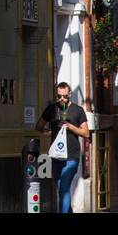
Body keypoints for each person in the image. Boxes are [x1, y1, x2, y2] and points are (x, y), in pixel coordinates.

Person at [37, 82, 90, 213]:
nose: (62, 99)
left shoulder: (77, 110)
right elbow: (38, 125)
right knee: (61, 188)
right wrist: (48, 132)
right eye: (59, 96)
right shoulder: (52, 109)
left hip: (71, 157)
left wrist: (70, 126)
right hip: (56, 155)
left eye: (65, 96)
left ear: (69, 94)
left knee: (64, 188)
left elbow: (86, 133)